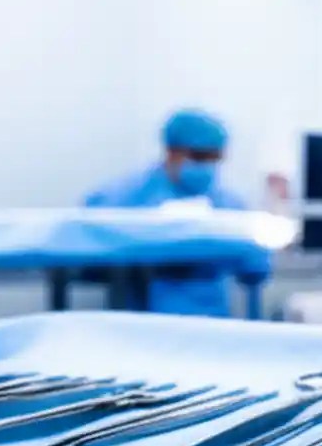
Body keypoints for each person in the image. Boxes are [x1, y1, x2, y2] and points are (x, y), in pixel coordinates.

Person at [84, 109, 266, 318]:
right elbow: (92, 251)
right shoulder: (128, 196)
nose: (207, 166)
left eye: (214, 159)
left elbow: (254, 269)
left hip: (212, 325)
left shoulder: (227, 203)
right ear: (171, 152)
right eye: (199, 157)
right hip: (144, 324)